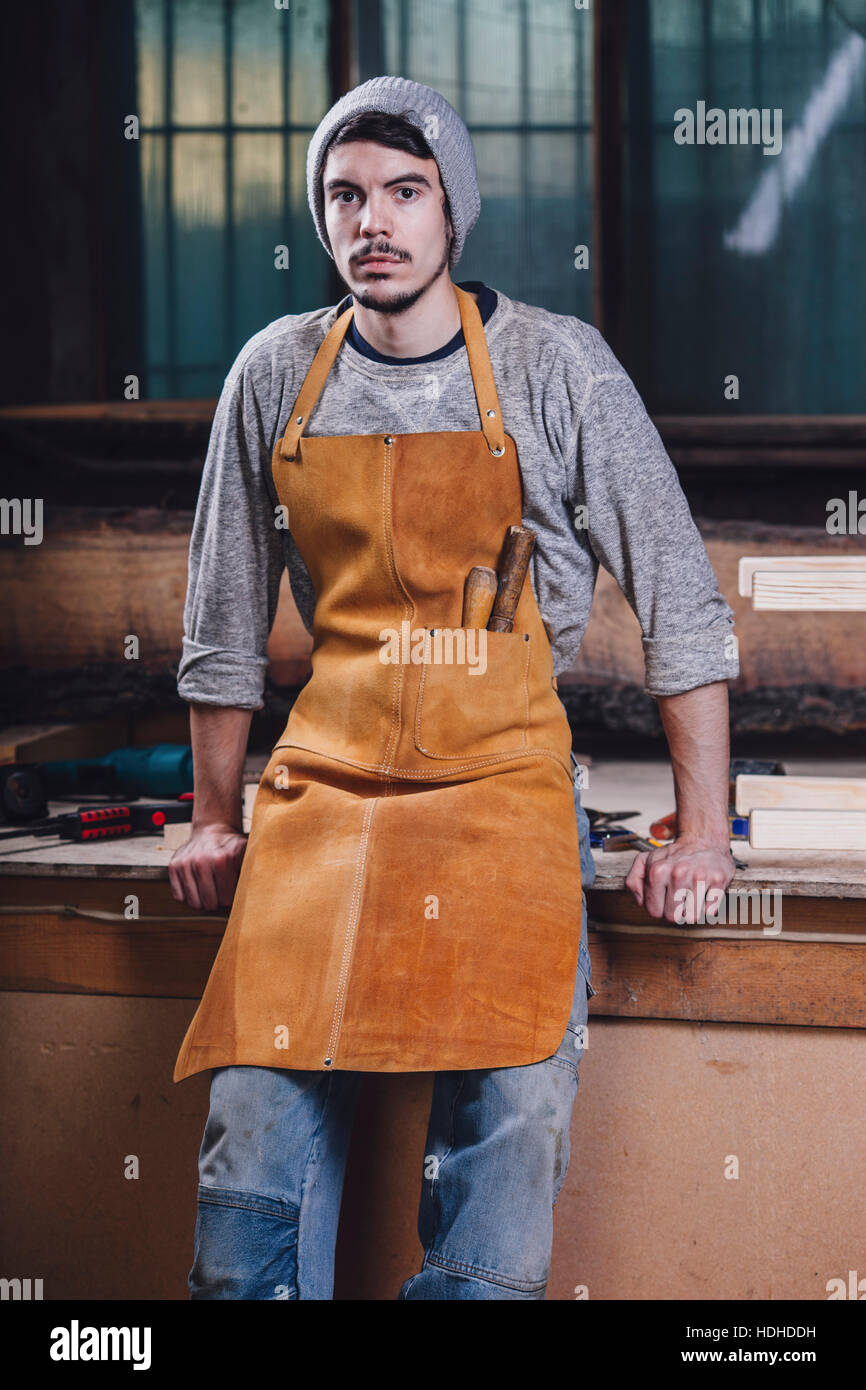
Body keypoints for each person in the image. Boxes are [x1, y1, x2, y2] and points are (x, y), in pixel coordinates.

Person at [169, 76, 738, 1300]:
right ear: (321, 218)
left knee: (500, 1185)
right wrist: (216, 817)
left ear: (451, 212)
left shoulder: (554, 369)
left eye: (403, 192)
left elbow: (680, 600)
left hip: (499, 803)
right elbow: (221, 623)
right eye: (344, 195)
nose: (372, 221)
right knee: (246, 1196)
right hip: (320, 807)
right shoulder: (275, 373)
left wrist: (702, 835)